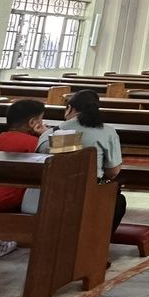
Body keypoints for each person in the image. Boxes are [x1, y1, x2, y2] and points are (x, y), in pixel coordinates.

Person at [37, 90, 126, 233]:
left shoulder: (51, 133)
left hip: (51, 193)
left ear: (69, 108)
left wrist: (46, 133)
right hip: (89, 192)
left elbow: (43, 162)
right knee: (118, 200)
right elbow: (113, 172)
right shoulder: (107, 132)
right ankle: (98, 237)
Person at [0, 100, 47, 261]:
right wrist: (46, 135)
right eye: (41, 120)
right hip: (6, 201)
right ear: (33, 123)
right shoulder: (35, 143)